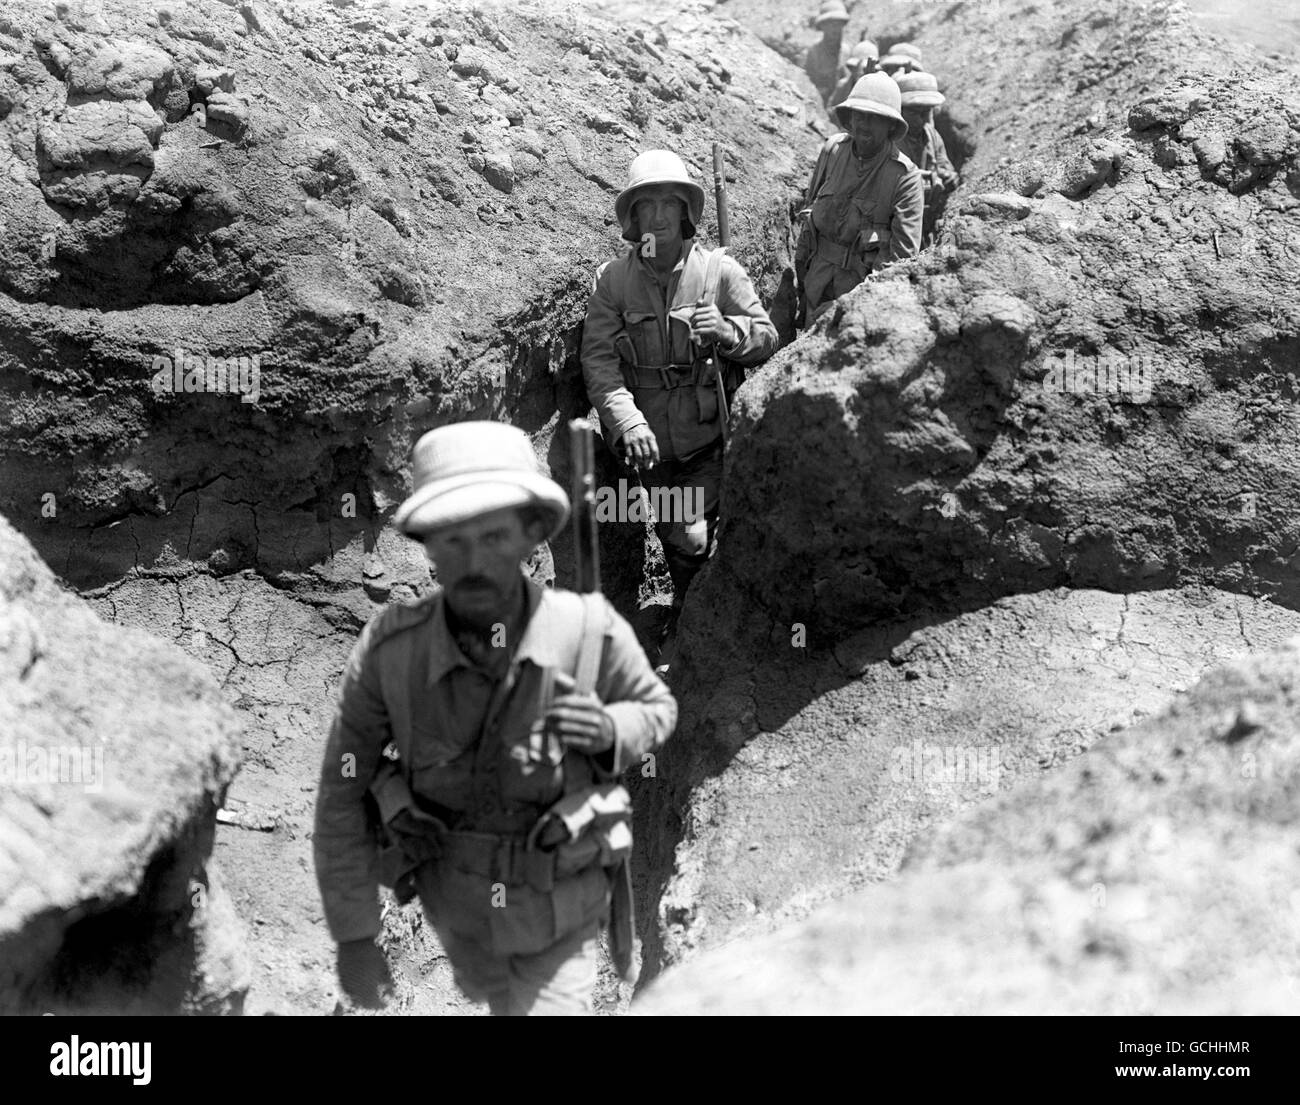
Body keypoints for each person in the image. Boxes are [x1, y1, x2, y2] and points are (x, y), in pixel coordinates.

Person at [313, 420, 677, 1016]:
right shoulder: (391, 653)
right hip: (458, 907)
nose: (475, 562)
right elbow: (342, 789)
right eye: (453, 541)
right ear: (427, 545)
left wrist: (613, 731)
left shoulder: (587, 629)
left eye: (494, 536)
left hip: (562, 896)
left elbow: (656, 708)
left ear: (533, 533)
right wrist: (354, 936)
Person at [580, 150, 778, 671]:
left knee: (691, 532)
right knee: (679, 534)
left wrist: (729, 332)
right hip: (650, 450)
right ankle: (689, 600)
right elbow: (598, 365)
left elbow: (769, 338)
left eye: (671, 203)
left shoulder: (719, 272)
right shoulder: (613, 283)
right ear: (634, 219)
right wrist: (627, 421)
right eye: (648, 206)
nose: (660, 216)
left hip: (710, 440)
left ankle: (693, 622)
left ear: (686, 212)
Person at [794, 72, 924, 325]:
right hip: (816, 283)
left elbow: (902, 262)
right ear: (849, 118)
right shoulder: (833, 150)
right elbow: (810, 219)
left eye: (876, 118)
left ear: (891, 127)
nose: (864, 124)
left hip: (863, 302)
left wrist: (850, 306)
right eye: (859, 115)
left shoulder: (904, 177)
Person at [895, 71, 959, 248]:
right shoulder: (889, 138)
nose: (923, 118)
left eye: (927, 112)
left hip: (926, 221)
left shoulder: (931, 135)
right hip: (896, 224)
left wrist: (949, 177)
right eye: (916, 112)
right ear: (900, 110)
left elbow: (947, 169)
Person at [804, 0, 850, 105]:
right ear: (823, 26)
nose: (835, 29)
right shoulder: (815, 52)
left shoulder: (846, 52)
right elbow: (807, 85)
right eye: (831, 24)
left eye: (839, 24)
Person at [828, 38, 880, 112]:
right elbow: (831, 111)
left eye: (865, 69)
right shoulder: (842, 86)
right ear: (852, 68)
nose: (861, 72)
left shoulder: (879, 89)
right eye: (857, 68)